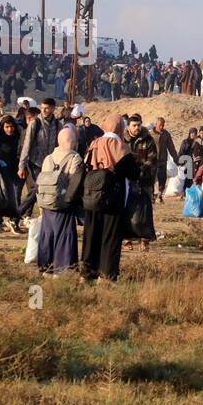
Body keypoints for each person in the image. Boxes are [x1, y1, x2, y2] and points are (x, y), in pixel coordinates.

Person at [80, 115, 139, 283]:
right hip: (113, 199)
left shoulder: (94, 144)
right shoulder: (121, 147)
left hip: (92, 197)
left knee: (91, 235)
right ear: (120, 128)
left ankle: (87, 274)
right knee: (110, 237)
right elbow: (133, 173)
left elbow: (85, 166)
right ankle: (106, 275)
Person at [35, 125, 83, 273]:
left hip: (47, 204)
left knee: (47, 236)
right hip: (63, 205)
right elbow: (75, 182)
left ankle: (45, 268)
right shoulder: (75, 157)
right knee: (64, 237)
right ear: (72, 142)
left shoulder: (48, 158)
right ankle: (63, 269)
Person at [124, 115, 158, 251]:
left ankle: (145, 240)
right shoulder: (123, 140)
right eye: (134, 125)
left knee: (145, 212)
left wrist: (139, 171)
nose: (137, 128)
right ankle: (127, 239)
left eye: (138, 125)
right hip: (127, 181)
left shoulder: (148, 140)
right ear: (128, 127)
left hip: (144, 181)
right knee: (127, 210)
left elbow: (152, 159)